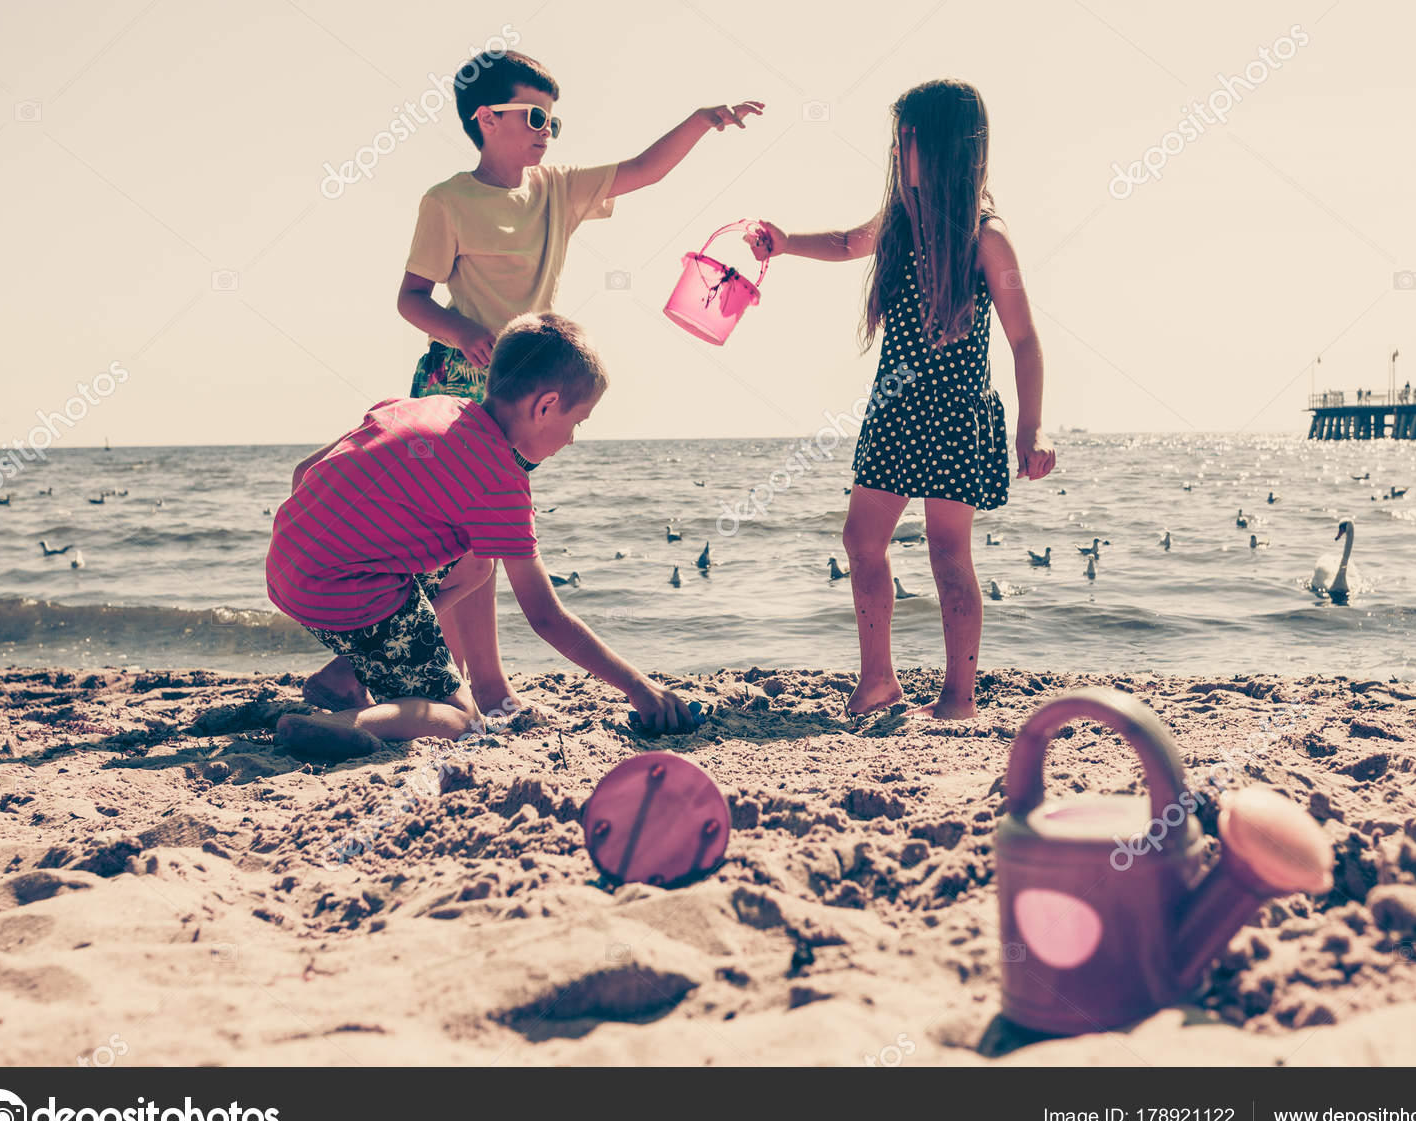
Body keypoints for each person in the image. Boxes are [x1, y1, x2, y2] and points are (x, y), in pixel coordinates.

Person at [301, 47, 762, 717]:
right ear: (486, 119)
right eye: (535, 115)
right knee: (466, 547)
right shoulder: (448, 201)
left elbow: (642, 171)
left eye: (554, 120)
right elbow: (411, 297)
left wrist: (701, 120)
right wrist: (462, 332)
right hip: (458, 379)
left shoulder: (557, 188)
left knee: (478, 546)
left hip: (525, 385)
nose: (548, 130)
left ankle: (446, 678)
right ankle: (475, 684)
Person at [745, 79, 1054, 720]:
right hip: (894, 410)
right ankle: (879, 679)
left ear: (943, 146)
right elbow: (844, 243)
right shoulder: (900, 221)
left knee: (948, 554)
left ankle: (959, 696)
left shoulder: (984, 238)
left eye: (906, 137)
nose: (894, 149)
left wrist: (1033, 429)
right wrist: (784, 242)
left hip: (956, 413)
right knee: (861, 539)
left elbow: (1024, 339)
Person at [268, 314, 695, 761]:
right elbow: (546, 617)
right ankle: (332, 724)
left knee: (476, 563)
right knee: (461, 720)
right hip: (345, 595)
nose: (571, 440)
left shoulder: (423, 405)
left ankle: (345, 674)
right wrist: (639, 687)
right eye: (578, 422)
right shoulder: (501, 482)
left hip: (285, 569)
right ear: (546, 406)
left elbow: (302, 474)